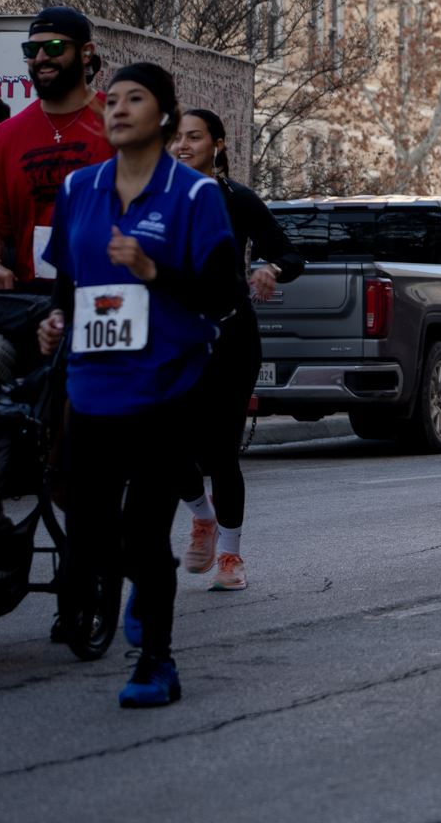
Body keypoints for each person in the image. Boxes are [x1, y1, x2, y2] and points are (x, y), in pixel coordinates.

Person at [39, 62, 243, 707]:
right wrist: (56, 320)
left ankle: (156, 661)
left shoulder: (192, 196)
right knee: (90, 539)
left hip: (167, 390)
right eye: (114, 100)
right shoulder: (79, 188)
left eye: (137, 99)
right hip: (92, 390)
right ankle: (128, 588)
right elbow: (69, 281)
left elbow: (222, 297)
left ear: (163, 116)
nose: (120, 108)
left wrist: (155, 271)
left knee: (146, 537)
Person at [166, 108, 306, 592]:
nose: (183, 146)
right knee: (167, 444)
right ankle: (201, 515)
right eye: (177, 138)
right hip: (171, 339)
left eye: (195, 137)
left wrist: (270, 268)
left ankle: (230, 556)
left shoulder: (237, 200)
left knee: (220, 451)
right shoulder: (154, 199)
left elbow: (291, 254)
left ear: (218, 145)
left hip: (231, 338)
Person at [0, 8, 113, 289]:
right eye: (32, 49)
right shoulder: (6, 136)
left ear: (86, 53)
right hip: (34, 300)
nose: (41, 57)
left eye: (55, 47)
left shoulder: (121, 124)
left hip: (112, 295)